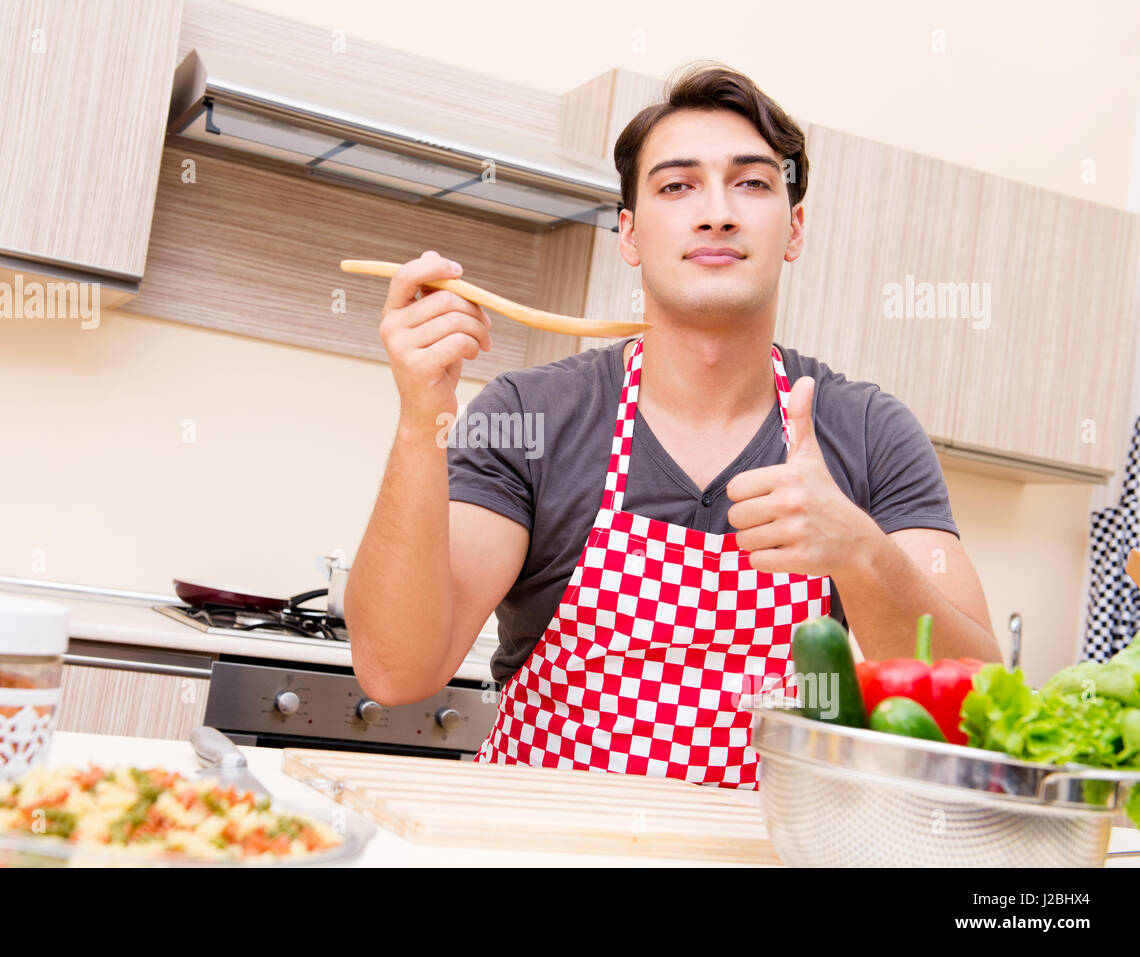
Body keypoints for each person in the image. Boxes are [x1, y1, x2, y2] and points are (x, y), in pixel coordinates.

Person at [344, 61, 1000, 788]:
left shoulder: (871, 431)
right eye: (677, 185)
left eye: (751, 183)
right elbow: (396, 671)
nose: (716, 211)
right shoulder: (528, 416)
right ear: (629, 234)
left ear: (794, 228)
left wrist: (861, 553)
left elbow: (971, 706)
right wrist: (420, 418)